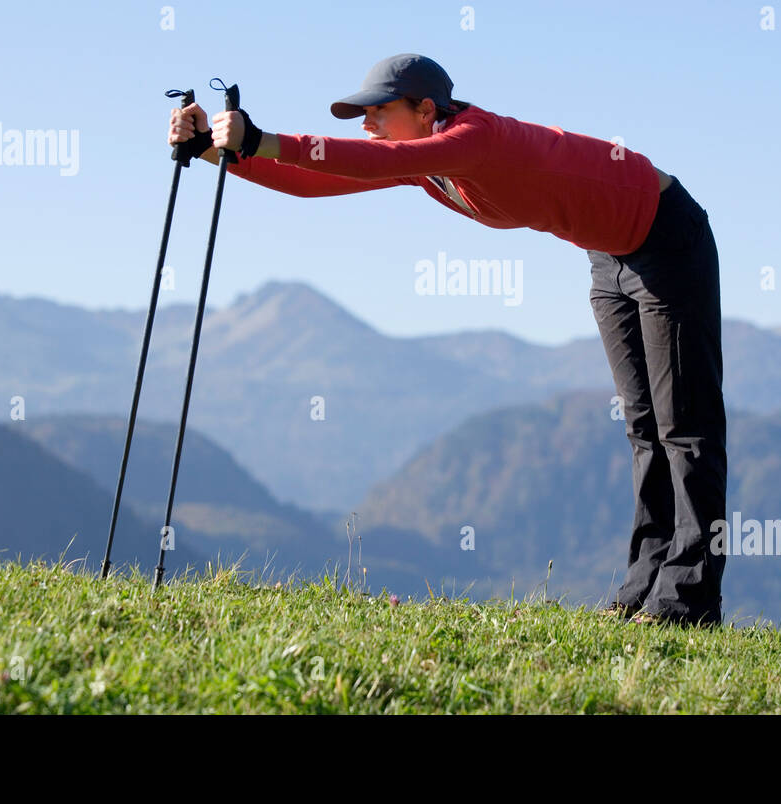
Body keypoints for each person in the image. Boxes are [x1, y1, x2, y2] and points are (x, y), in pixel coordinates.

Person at [166, 53, 726, 628]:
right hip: (609, 254)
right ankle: (644, 586)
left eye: (378, 113)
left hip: (668, 235)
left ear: (425, 109)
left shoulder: (470, 138)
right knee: (642, 424)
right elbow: (322, 180)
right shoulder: (426, 163)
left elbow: (359, 157)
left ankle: (690, 598)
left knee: (684, 426)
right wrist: (217, 151)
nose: (366, 126)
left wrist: (263, 138)